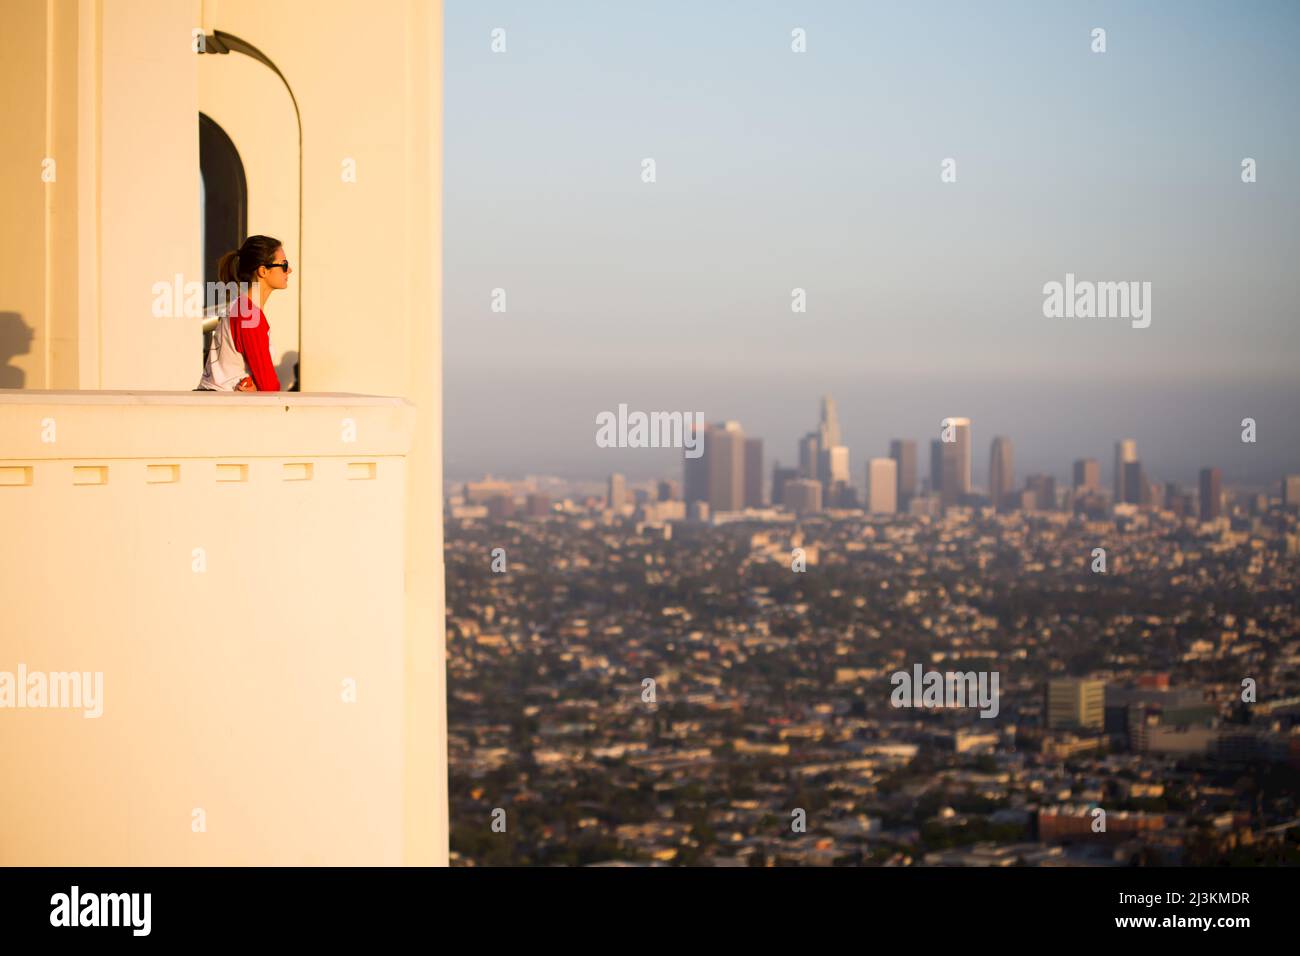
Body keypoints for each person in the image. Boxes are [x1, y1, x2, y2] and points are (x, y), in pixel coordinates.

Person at [196, 235, 291, 391]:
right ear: (263, 271)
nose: (289, 270)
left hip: (216, 403)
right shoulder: (248, 315)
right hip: (222, 409)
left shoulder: (241, 307)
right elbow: (269, 386)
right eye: (284, 265)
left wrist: (254, 387)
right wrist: (259, 388)